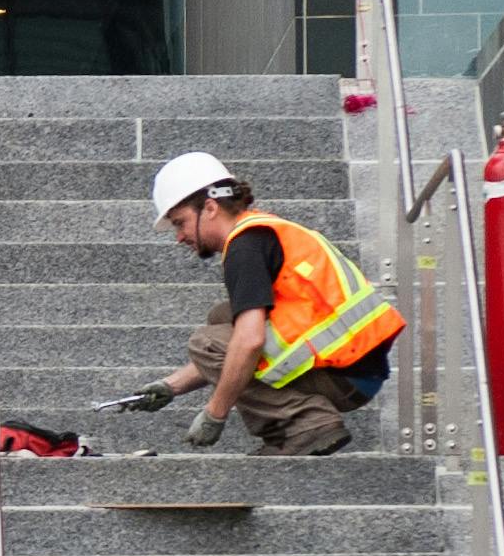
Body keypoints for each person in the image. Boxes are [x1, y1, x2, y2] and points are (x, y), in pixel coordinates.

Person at [102, 152, 404, 457]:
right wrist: (171, 386)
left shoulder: (244, 247)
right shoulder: (265, 231)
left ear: (209, 207)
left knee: (206, 342)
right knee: (221, 318)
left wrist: (214, 413)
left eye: (180, 223)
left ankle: (306, 424)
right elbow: (245, 343)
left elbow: (248, 342)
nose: (179, 237)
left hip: (342, 376)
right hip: (356, 370)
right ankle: (289, 435)